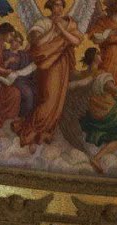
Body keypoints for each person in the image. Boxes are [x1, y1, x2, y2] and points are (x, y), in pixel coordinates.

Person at [15, 0, 84, 147]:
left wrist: (61, 29)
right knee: (48, 98)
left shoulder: (68, 22)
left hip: (62, 64)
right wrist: (54, 30)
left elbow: (76, 41)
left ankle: (45, 131)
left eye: (60, 5)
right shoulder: (43, 22)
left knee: (58, 99)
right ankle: (32, 128)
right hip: (47, 64)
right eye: (55, 5)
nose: (58, 8)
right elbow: (38, 44)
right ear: (50, 7)